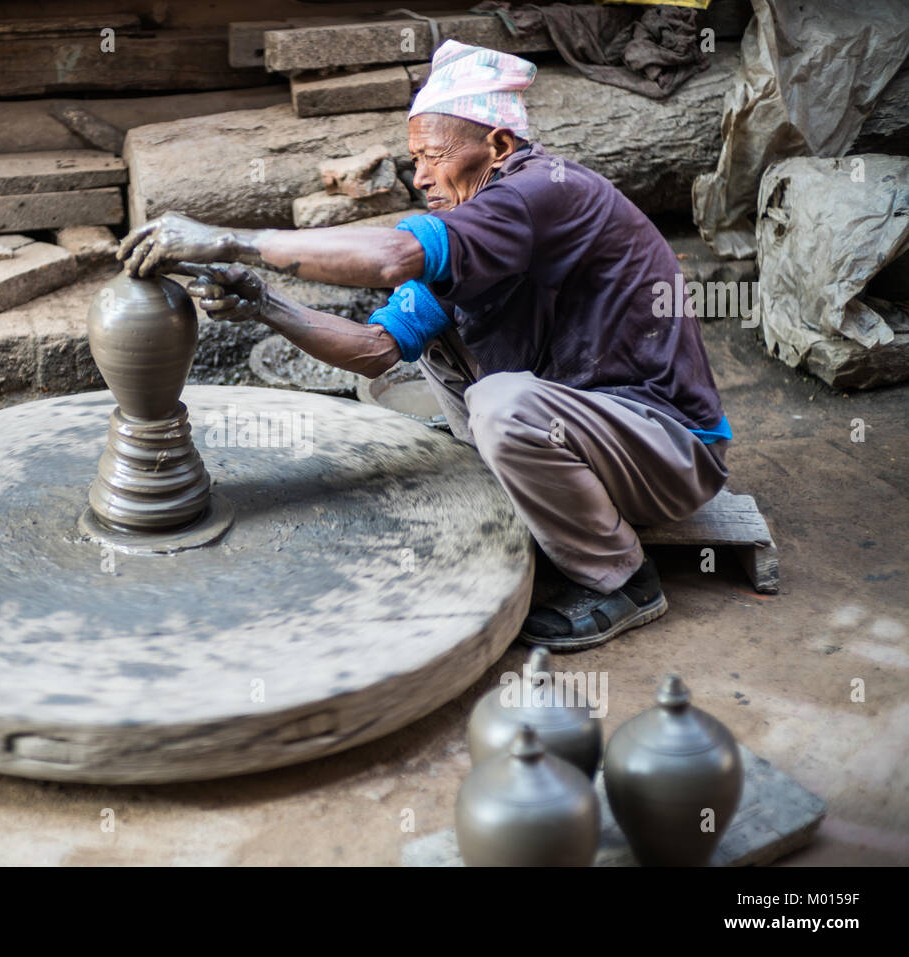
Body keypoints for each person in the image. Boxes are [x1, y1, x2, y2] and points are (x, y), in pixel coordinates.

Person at [116, 40, 731, 652]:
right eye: (415, 159)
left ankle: (624, 580)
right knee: (438, 350)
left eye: (434, 155)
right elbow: (376, 349)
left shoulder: (542, 192)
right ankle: (533, 491)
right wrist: (265, 305)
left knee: (503, 403)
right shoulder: (477, 232)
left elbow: (391, 257)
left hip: (669, 452)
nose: (420, 177)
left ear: (497, 146)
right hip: (592, 446)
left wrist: (228, 240)